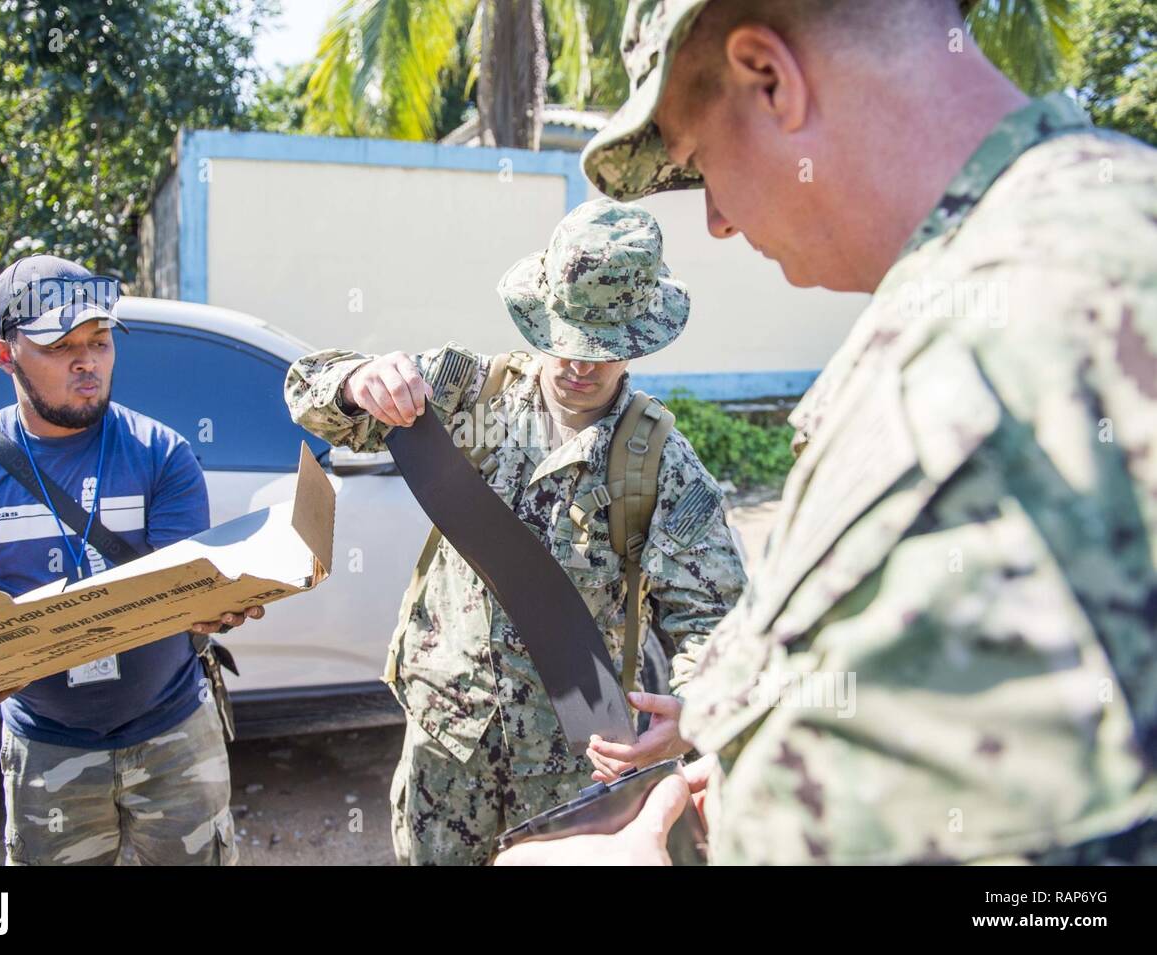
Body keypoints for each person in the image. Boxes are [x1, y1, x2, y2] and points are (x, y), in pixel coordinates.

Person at [499, 0, 1157, 865]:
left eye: (700, 165)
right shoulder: (1067, 243)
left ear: (772, 79)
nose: (721, 223)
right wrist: (740, 732)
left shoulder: (1001, 344)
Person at [286, 198, 747, 864]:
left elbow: (716, 618)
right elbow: (306, 389)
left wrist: (695, 708)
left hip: (570, 773)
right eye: (566, 337)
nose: (580, 364)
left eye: (605, 346)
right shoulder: (467, 394)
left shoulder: (663, 465)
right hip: (446, 752)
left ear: (639, 338)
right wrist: (357, 381)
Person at [0, 254, 263, 865]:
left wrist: (218, 608)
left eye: (99, 342)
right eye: (60, 346)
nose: (87, 362)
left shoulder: (161, 453)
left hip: (173, 732)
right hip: (46, 747)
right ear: (5, 355)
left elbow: (186, 590)